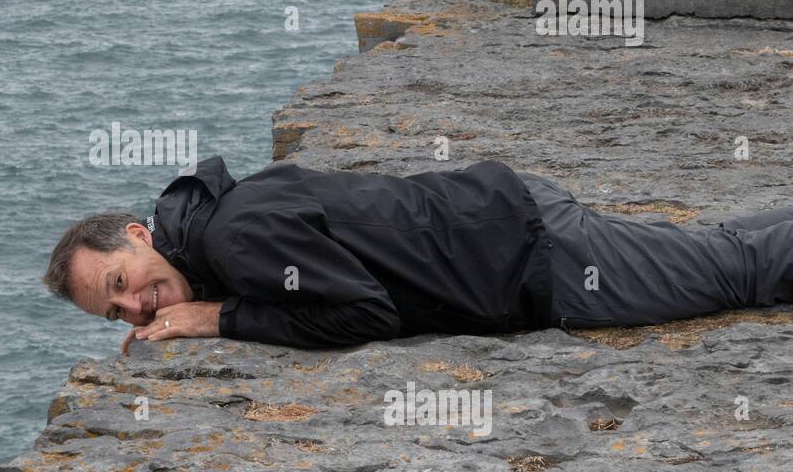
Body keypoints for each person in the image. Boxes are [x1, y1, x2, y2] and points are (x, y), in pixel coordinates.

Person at [42, 156, 793, 353]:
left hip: (532, 258)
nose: (135, 306)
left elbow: (362, 311)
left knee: (740, 274)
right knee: (720, 250)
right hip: (507, 221)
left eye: (121, 283)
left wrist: (225, 322)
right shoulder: (214, 234)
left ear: (139, 236)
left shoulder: (234, 242)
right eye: (115, 312)